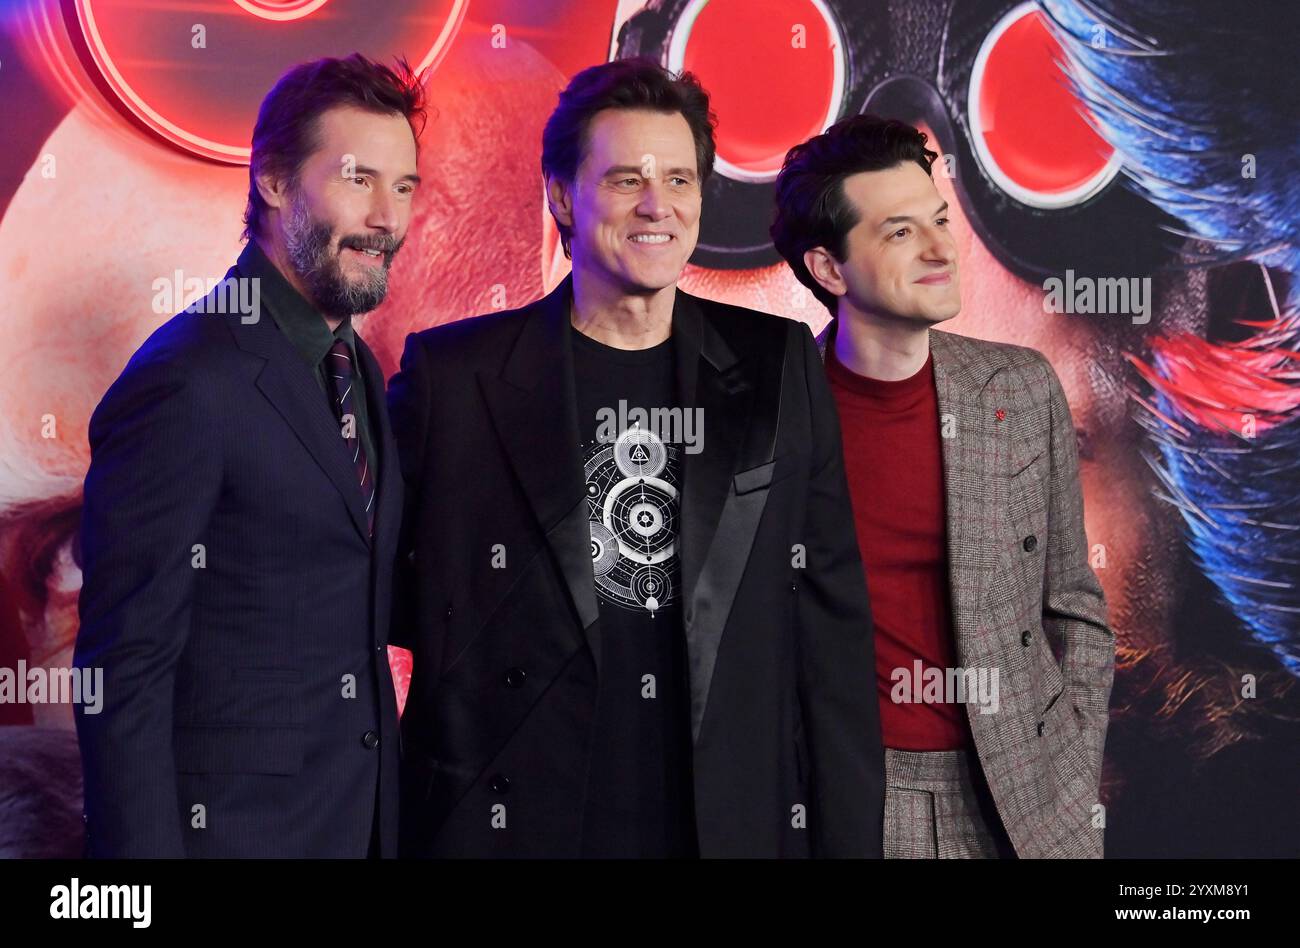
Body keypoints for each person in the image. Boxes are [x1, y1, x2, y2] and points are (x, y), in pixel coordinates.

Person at [388, 58, 883, 858]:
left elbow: (831, 636)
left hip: (725, 829)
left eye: (681, 180)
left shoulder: (778, 365)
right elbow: (393, 596)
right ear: (561, 196)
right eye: (625, 180)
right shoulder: (454, 378)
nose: (659, 206)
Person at [73, 54, 424, 857]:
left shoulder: (355, 366)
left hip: (355, 828)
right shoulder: (186, 380)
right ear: (271, 180)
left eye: (403, 186)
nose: (386, 216)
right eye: (357, 179)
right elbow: (121, 673)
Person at [772, 114, 1114, 857]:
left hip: (1021, 798)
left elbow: (1074, 604)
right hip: (849, 797)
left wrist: (1071, 766)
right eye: (899, 233)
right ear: (829, 270)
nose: (940, 249)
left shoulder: (1019, 388)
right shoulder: (772, 416)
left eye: (939, 219)